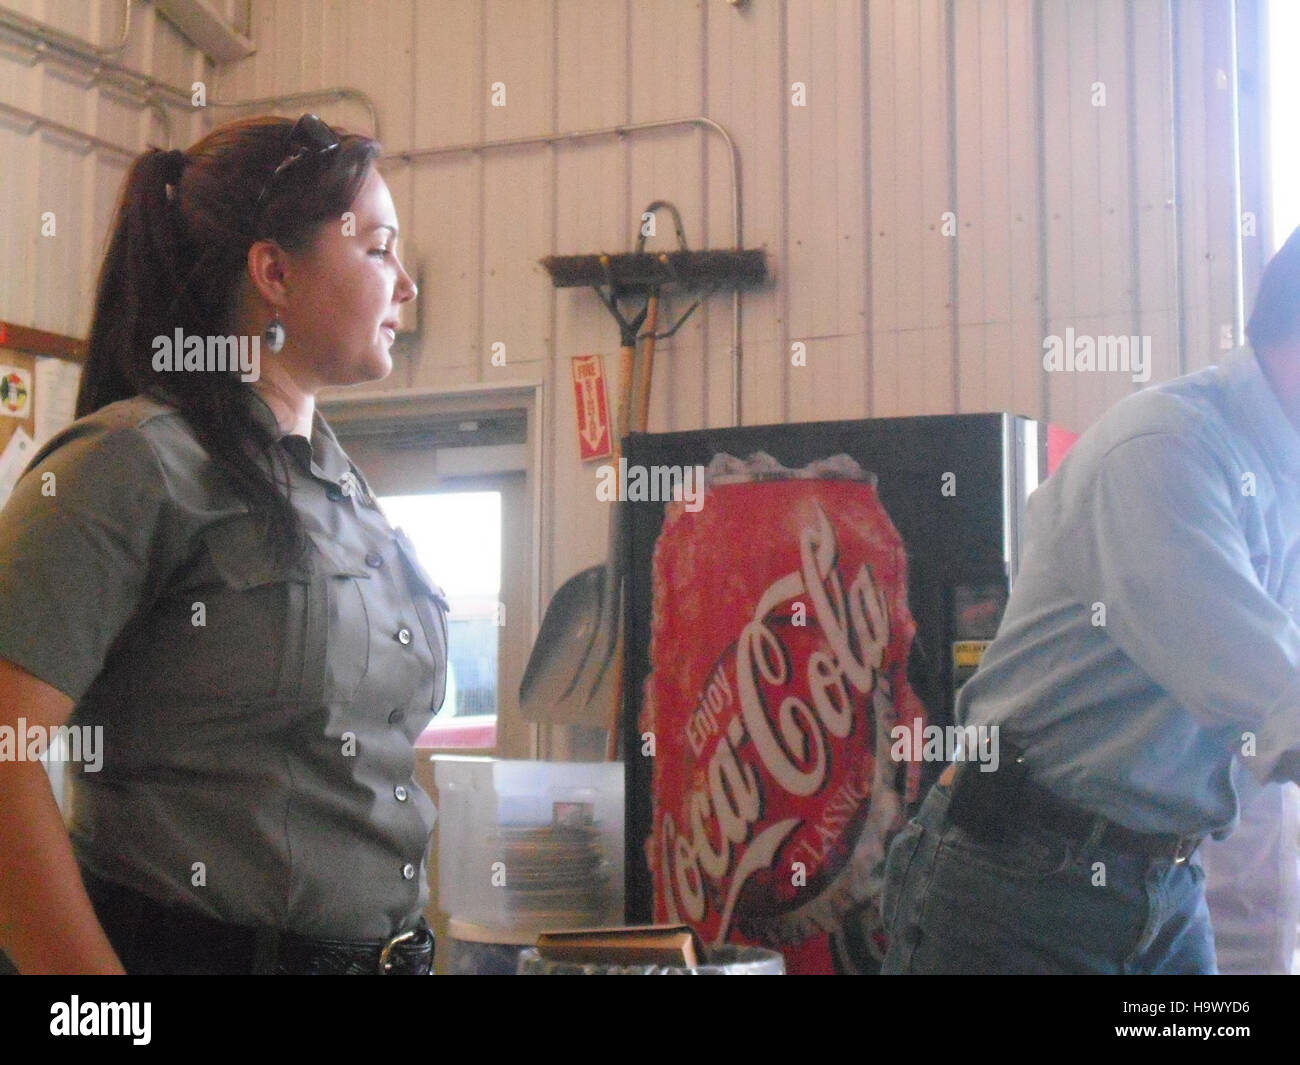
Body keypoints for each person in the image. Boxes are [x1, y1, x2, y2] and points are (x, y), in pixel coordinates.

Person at [0, 114, 447, 974]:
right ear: (274, 270)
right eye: (379, 248)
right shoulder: (132, 465)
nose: (406, 286)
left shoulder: (344, 495)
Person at [880, 227, 1300, 975]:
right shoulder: (1167, 450)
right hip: (1017, 888)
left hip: (1165, 884)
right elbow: (1273, 691)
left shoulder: (1283, 473)